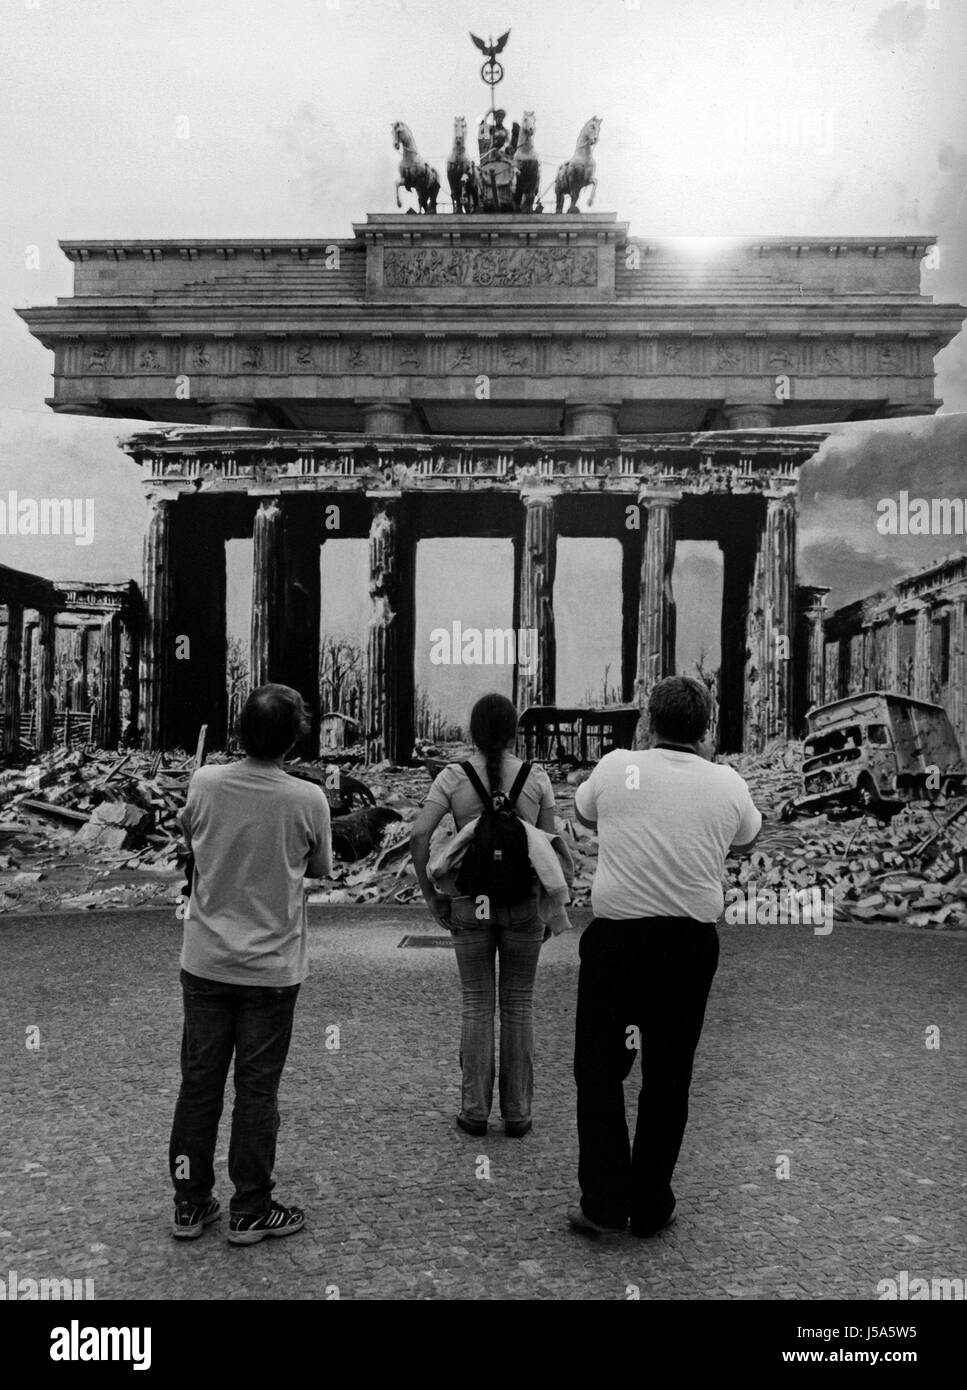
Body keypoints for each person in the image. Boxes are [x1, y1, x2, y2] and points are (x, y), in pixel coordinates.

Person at [569, 676, 761, 1238]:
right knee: (668, 1076)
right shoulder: (727, 783)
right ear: (706, 729)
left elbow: (584, 816)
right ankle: (651, 1204)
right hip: (687, 948)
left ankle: (604, 1202)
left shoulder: (613, 768)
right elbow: (748, 839)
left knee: (598, 1074)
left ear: (648, 722)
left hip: (616, 944)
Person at [168, 684, 332, 1244]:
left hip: (206, 959)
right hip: (271, 968)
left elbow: (190, 840)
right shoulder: (307, 798)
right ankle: (250, 1208)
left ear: (239, 731)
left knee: (198, 1085)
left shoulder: (205, 782)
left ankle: (190, 1204)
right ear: (294, 739)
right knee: (257, 1091)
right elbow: (320, 869)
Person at [409, 693, 559, 1138]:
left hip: (469, 902)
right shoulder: (536, 778)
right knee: (518, 1005)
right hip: (523, 903)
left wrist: (432, 895)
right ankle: (517, 1114)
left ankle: (474, 1111)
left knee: (476, 1004)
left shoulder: (453, 777)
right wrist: (549, 909)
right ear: (515, 732)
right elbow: (549, 849)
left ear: (472, 733)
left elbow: (419, 834)